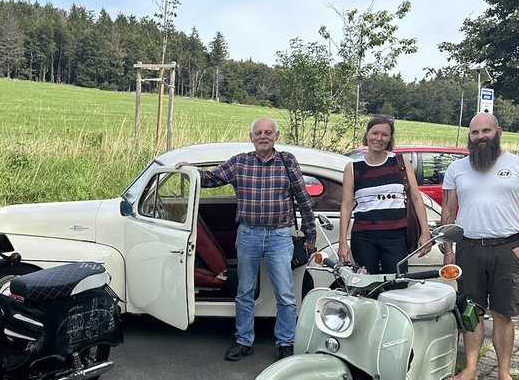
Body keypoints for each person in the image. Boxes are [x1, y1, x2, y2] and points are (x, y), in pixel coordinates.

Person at [177, 117, 317, 361]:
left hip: (279, 235)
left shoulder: (287, 161)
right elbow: (212, 179)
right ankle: (243, 341)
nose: (263, 136)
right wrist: (190, 171)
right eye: (259, 133)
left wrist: (310, 234)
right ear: (251, 137)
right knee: (244, 291)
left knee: (285, 294)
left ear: (276, 136)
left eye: (268, 132)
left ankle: (286, 343)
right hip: (248, 234)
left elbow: (304, 199)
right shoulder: (240, 162)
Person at [441, 112, 519, 380]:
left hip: (507, 248)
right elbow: (448, 211)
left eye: (486, 131)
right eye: (475, 133)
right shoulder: (457, 168)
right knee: (471, 312)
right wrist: (448, 250)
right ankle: (471, 368)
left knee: (503, 313)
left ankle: (504, 373)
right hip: (469, 249)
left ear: (498, 131)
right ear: (469, 137)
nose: (480, 137)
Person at [338, 114, 432, 273]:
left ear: (390, 139)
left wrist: (425, 232)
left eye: (385, 134)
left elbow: (416, 198)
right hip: (364, 237)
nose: (379, 138)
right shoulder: (352, 167)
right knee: (367, 286)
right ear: (367, 135)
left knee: (398, 284)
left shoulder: (400, 162)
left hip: (395, 236)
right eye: (375, 133)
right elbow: (346, 206)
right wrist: (342, 243)